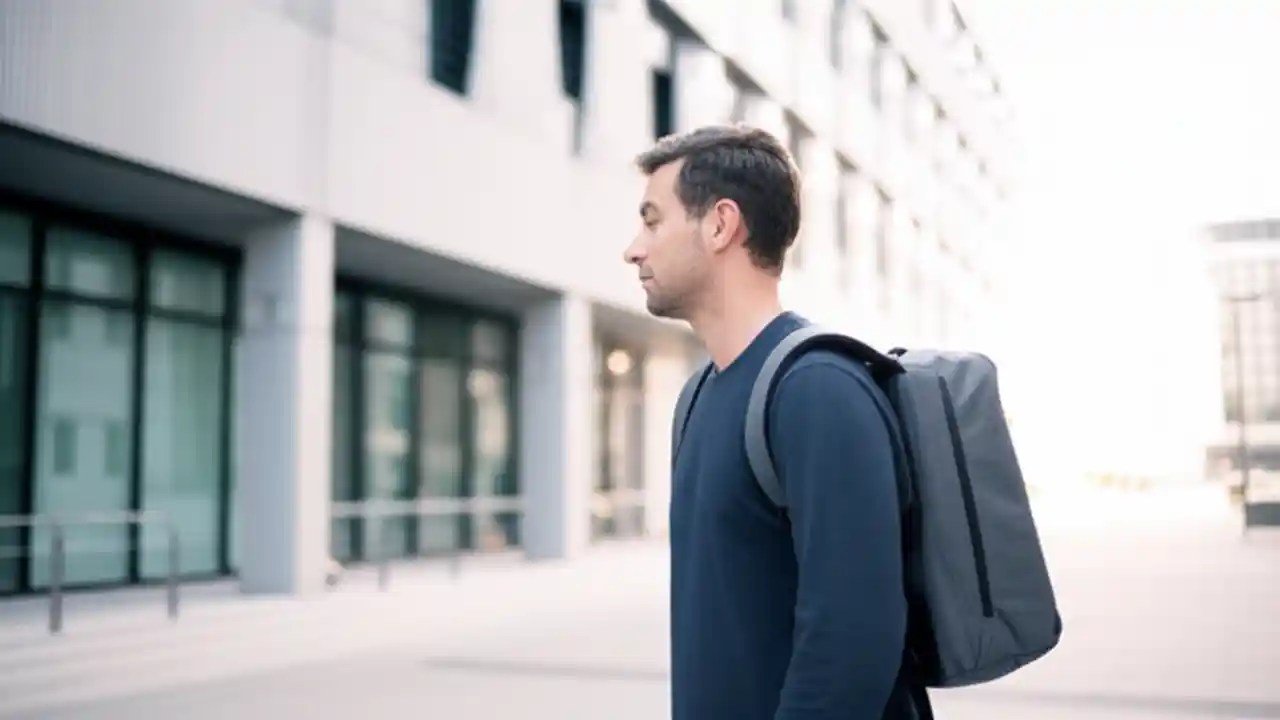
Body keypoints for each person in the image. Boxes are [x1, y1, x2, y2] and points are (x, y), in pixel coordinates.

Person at [624, 125, 919, 719]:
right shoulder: (699, 397)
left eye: (653, 220)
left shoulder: (817, 390)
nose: (634, 248)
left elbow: (853, 643)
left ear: (720, 224)